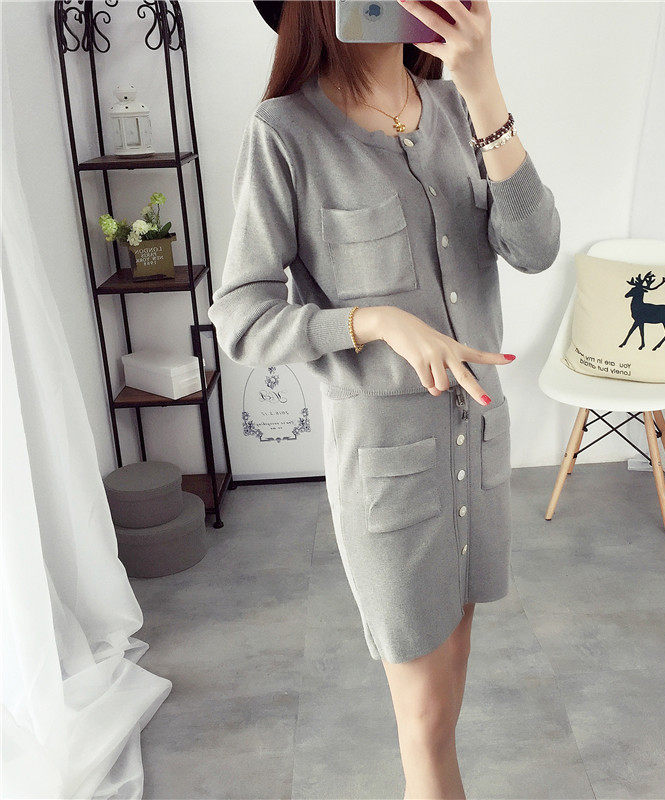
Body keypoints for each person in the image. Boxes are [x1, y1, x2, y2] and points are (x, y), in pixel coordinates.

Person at [208, 1, 561, 796]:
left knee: (447, 700)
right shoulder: (286, 132)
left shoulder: (457, 109)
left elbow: (535, 247)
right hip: (390, 479)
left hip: (476, 452)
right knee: (426, 726)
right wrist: (373, 321)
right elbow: (241, 316)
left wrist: (483, 86)